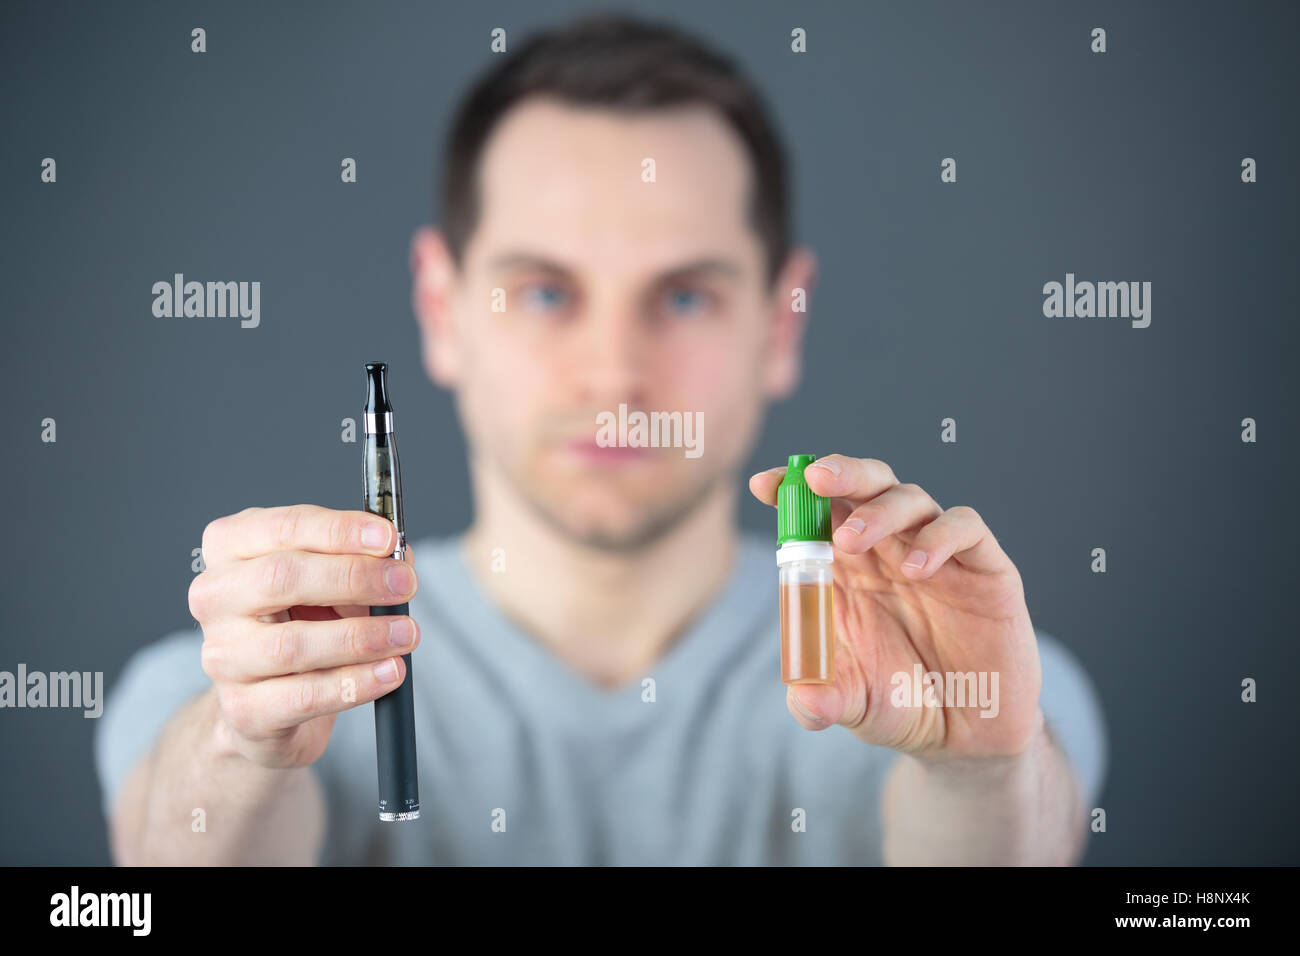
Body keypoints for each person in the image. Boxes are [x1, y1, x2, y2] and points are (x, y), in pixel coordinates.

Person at [95, 12, 1106, 865]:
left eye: (682, 293)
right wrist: (237, 748)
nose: (615, 371)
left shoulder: (959, 661)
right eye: (544, 291)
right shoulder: (240, 679)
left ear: (779, 322)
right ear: (443, 310)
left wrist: (982, 767)